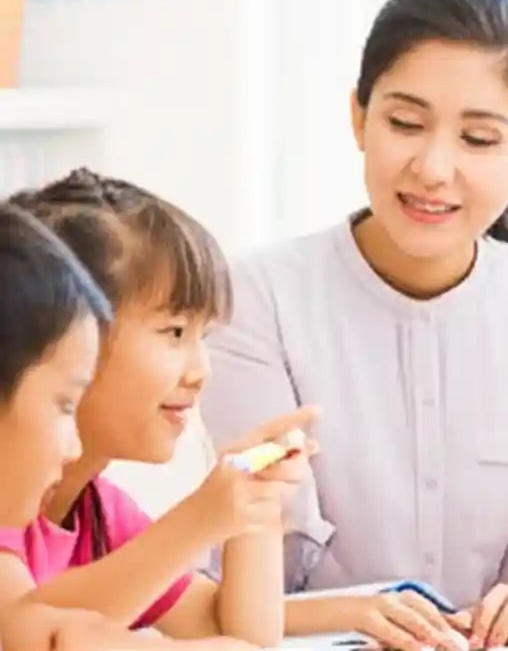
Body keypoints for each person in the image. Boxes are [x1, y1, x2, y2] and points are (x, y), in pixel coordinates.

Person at [199, 0, 508, 650]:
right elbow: (243, 594)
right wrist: (355, 612)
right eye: (406, 122)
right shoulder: (256, 296)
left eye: (478, 140)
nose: (432, 167)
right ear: (359, 116)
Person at [0, 170, 316, 647]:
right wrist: (199, 520)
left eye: (202, 336)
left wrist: (255, 514)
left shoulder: (102, 512)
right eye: (174, 333)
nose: (200, 370)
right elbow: (29, 634)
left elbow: (236, 632)